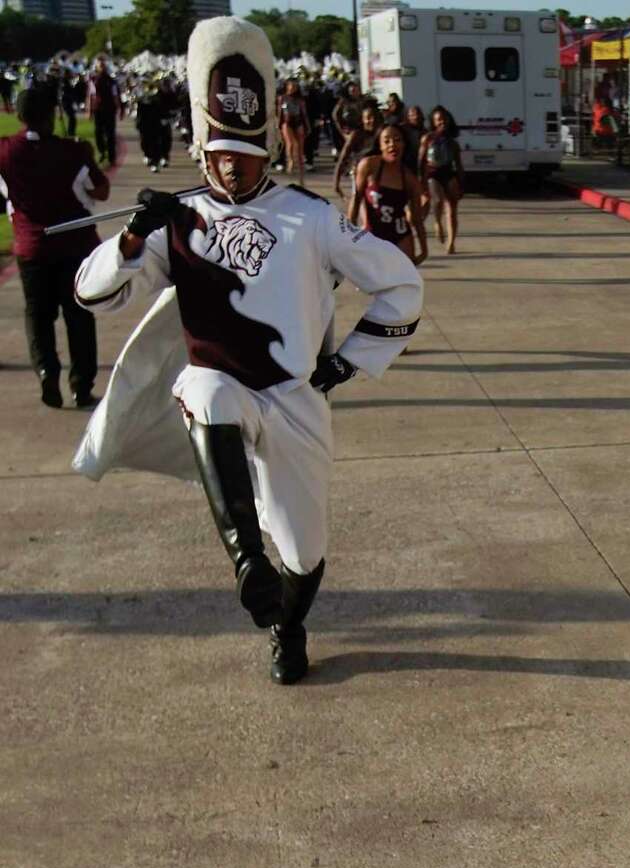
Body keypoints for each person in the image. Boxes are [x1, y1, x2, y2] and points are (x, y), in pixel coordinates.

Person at [73, 17, 423, 685]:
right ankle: (243, 558)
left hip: (292, 395)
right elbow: (92, 292)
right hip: (220, 385)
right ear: (202, 148)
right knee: (206, 391)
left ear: (265, 146)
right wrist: (126, 242)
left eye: (243, 149)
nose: (230, 163)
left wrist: (348, 360)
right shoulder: (174, 220)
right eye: (218, 150)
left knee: (306, 550)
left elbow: (402, 285)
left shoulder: (311, 218)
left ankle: (287, 625)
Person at [0, 83, 109, 408]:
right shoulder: (73, 151)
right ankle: (81, 384)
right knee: (79, 317)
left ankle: (47, 369)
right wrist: (89, 156)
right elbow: (100, 191)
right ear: (52, 114)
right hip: (75, 247)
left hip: (31, 246)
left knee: (38, 315)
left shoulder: (5, 150)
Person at [349, 122, 427, 267]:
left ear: (404, 144)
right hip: (373, 233)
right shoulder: (369, 165)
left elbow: (416, 217)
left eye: (397, 140)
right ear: (380, 145)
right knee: (376, 283)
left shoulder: (409, 178)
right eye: (387, 141)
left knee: (402, 282)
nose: (392, 145)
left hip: (400, 233)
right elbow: (356, 198)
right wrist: (349, 232)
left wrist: (424, 248)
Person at [420, 105, 464, 254]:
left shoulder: (453, 142)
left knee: (452, 210)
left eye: (444, 119)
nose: (442, 122)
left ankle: (451, 242)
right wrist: (421, 182)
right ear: (433, 121)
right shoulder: (427, 138)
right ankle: (438, 222)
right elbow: (420, 161)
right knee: (437, 200)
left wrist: (461, 182)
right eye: (438, 120)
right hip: (432, 174)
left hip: (448, 173)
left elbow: (458, 164)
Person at [333, 99, 380, 204]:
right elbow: (343, 157)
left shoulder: (381, 133)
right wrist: (336, 182)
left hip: (378, 176)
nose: (371, 121)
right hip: (359, 174)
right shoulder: (357, 135)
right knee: (360, 204)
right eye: (367, 118)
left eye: (374, 117)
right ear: (362, 120)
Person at [86, 55, 122, 168]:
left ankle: (112, 158)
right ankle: (102, 151)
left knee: (110, 134)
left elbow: (115, 96)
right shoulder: (93, 80)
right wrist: (89, 110)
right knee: (98, 133)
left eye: (103, 65)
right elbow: (90, 96)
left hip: (109, 109)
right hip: (98, 110)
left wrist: (120, 109)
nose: (102, 67)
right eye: (100, 65)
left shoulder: (111, 81)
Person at [278, 77, 310, 183]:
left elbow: (304, 114)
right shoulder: (282, 98)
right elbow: (279, 113)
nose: (292, 88)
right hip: (286, 123)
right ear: (287, 86)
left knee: (300, 151)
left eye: (295, 86)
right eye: (291, 86)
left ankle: (301, 177)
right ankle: (290, 161)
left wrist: (307, 126)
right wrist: (278, 126)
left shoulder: (300, 100)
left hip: (298, 122)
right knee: (290, 143)